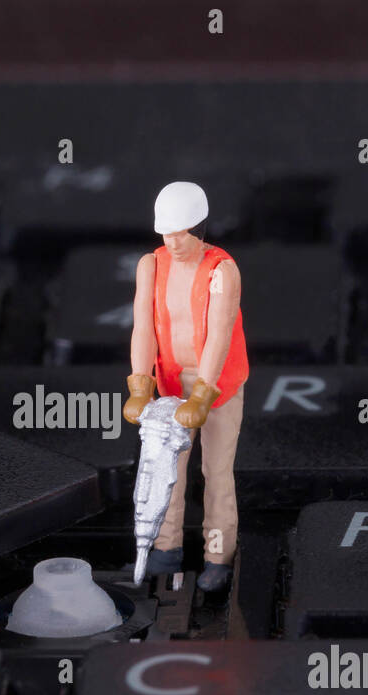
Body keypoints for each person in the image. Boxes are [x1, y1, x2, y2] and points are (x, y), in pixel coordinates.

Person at [123, 181, 248, 592]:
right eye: (166, 233)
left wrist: (202, 394)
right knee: (166, 467)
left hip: (218, 386)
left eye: (182, 232)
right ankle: (165, 550)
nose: (173, 242)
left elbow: (219, 336)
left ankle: (217, 555)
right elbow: (143, 326)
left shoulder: (221, 271)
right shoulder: (151, 265)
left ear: (200, 227)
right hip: (170, 382)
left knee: (215, 472)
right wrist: (141, 384)